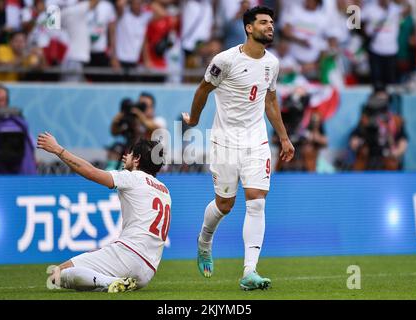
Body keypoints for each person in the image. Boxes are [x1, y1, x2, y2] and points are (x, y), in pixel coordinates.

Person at [182, 6, 295, 291]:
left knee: (257, 200)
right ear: (248, 28)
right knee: (225, 205)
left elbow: (270, 102)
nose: (270, 26)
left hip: (256, 142)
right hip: (225, 142)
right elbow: (202, 90)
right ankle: (204, 240)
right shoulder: (225, 60)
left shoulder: (273, 64)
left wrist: (283, 137)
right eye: (263, 22)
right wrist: (194, 120)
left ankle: (249, 271)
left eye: (271, 22)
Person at [38, 133, 171, 292]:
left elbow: (91, 172)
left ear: (137, 159)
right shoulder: (164, 190)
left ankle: (110, 282)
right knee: (93, 271)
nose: (124, 156)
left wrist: (58, 150)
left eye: (129, 153)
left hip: (128, 255)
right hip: (147, 272)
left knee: (56, 275)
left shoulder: (132, 177)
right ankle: (115, 283)